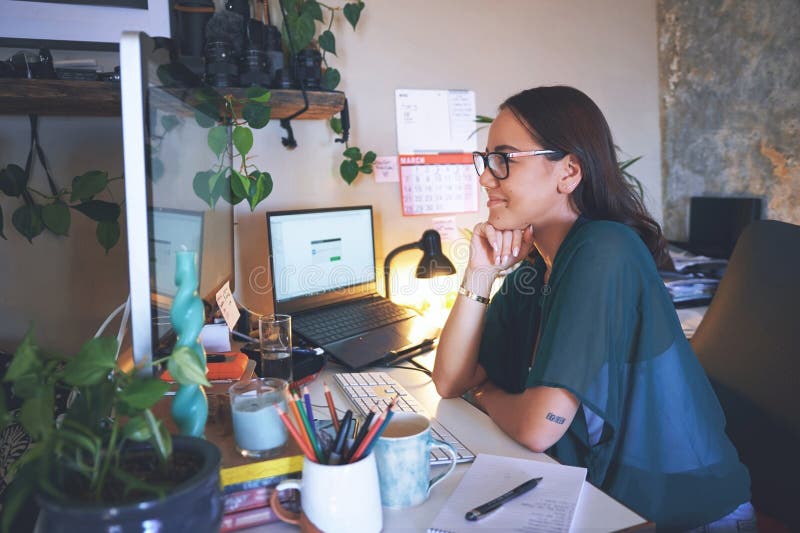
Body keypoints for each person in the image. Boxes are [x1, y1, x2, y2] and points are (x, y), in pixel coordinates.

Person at [432, 86, 754, 532]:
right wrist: (480, 273)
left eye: (504, 158)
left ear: (568, 172)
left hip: (682, 515)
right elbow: (450, 380)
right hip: (605, 499)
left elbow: (538, 426)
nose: (486, 177)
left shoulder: (604, 250)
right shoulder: (537, 268)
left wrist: (485, 393)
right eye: (486, 160)